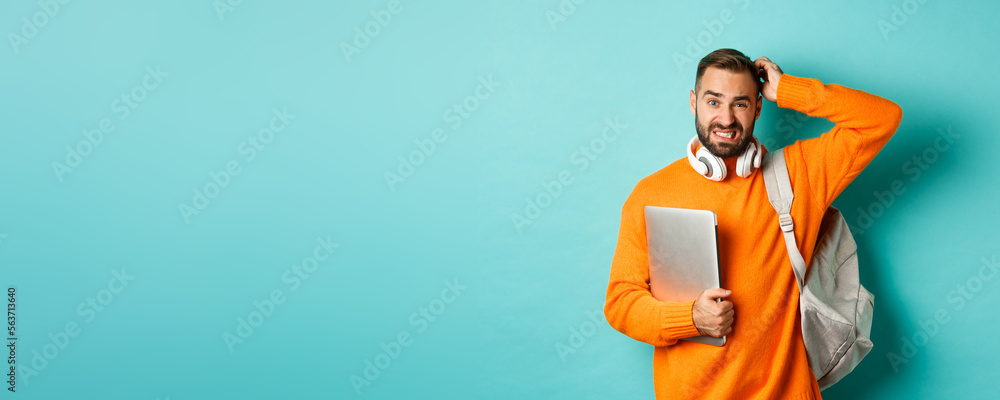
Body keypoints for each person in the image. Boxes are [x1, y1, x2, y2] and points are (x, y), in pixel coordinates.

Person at [603, 48, 902, 399]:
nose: (726, 119)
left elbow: (882, 118)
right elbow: (621, 302)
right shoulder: (651, 193)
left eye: (741, 104)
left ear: (759, 107)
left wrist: (789, 89)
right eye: (713, 102)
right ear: (693, 102)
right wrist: (690, 319)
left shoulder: (798, 175)